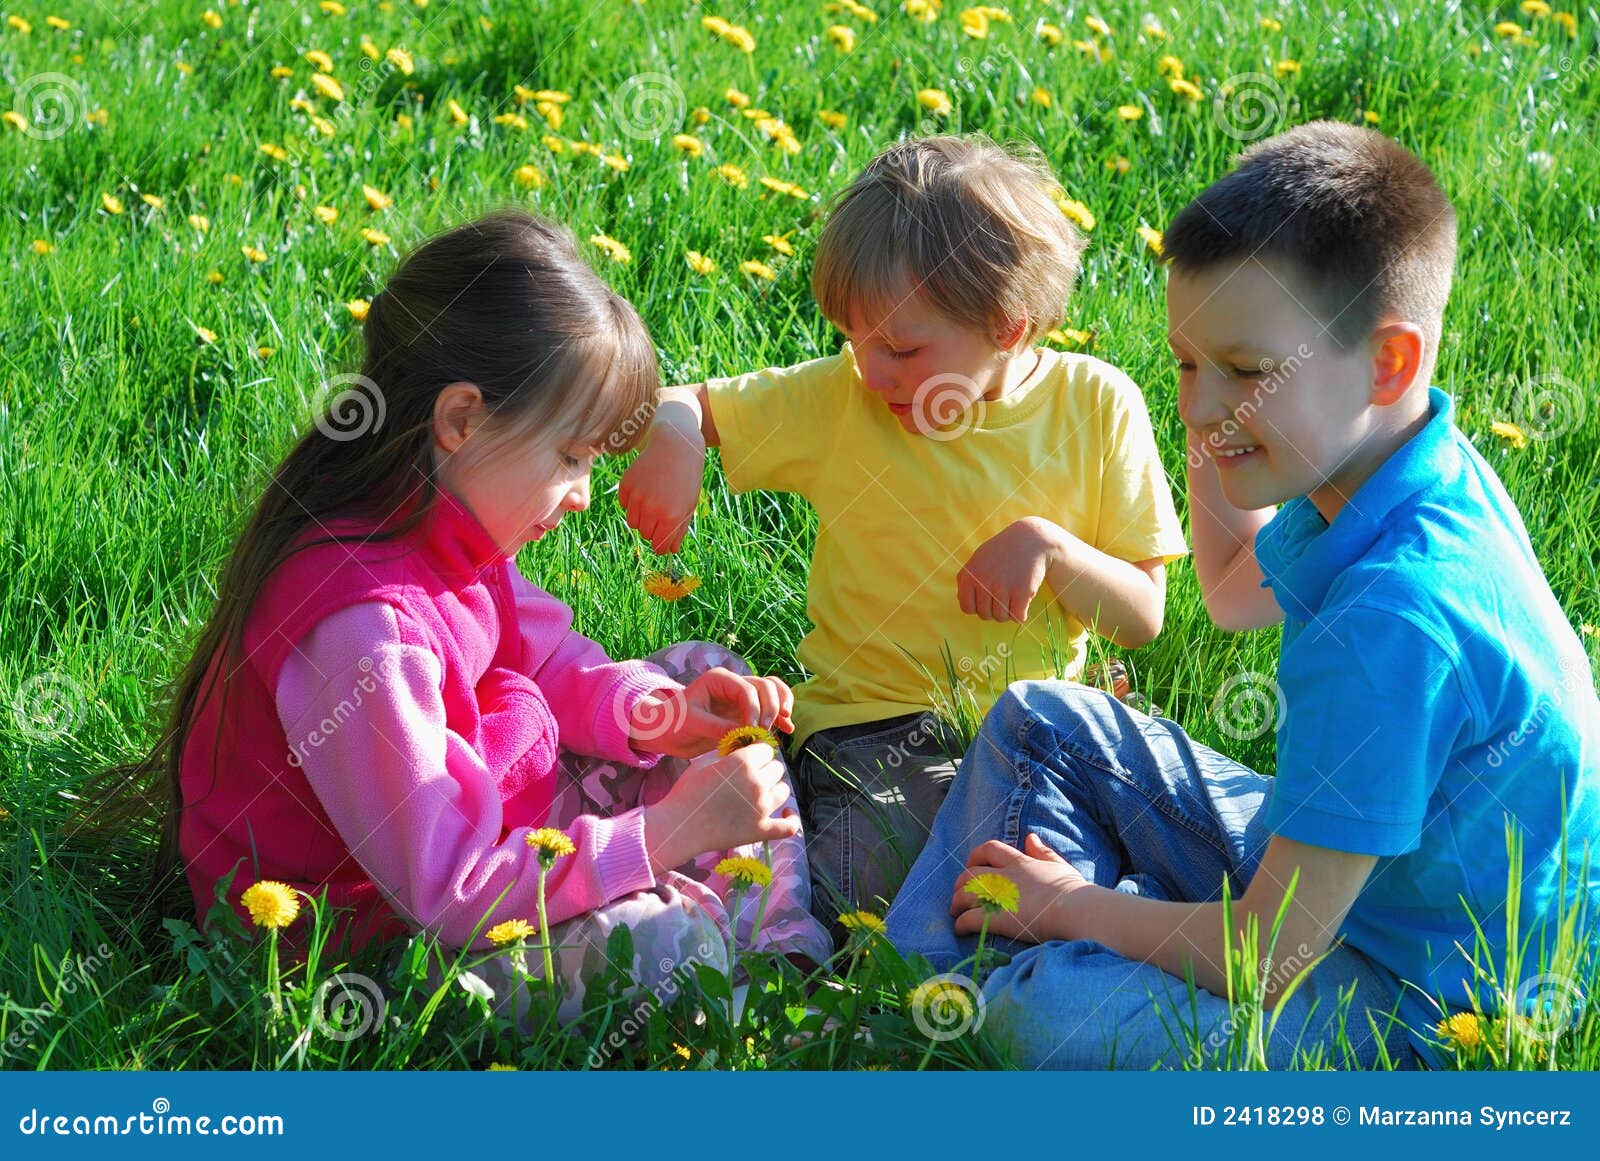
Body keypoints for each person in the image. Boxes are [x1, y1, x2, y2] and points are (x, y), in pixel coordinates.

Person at [886, 121, 1600, 1070]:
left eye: (1249, 370)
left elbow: (1269, 957)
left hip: (1417, 1002)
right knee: (1040, 720)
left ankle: (965, 984)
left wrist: (1068, 904)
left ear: (1388, 364)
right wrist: (1226, 420)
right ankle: (1024, 948)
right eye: (1187, 361)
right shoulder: (1405, 460)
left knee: (1036, 1011)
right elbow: (1227, 592)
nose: (1196, 404)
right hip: (1341, 880)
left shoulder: (1397, 617)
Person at [154, 209, 831, 1026]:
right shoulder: (366, 634)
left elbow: (550, 661)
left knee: (691, 676)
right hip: (372, 946)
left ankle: (777, 953)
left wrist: (661, 716)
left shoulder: (445, 531)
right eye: (572, 456)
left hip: (479, 830)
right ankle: (730, 968)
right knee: (659, 949)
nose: (584, 493)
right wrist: (666, 830)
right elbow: (449, 891)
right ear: (463, 418)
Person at [620, 135, 1188, 933]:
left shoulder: (1097, 405)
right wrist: (677, 443)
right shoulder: (846, 398)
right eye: (855, 339)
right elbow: (687, 403)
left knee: (1071, 879)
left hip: (1036, 728)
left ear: (1010, 327)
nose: (872, 369)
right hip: (874, 732)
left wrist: (1052, 548)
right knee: (880, 910)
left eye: (901, 347)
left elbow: (1142, 615)